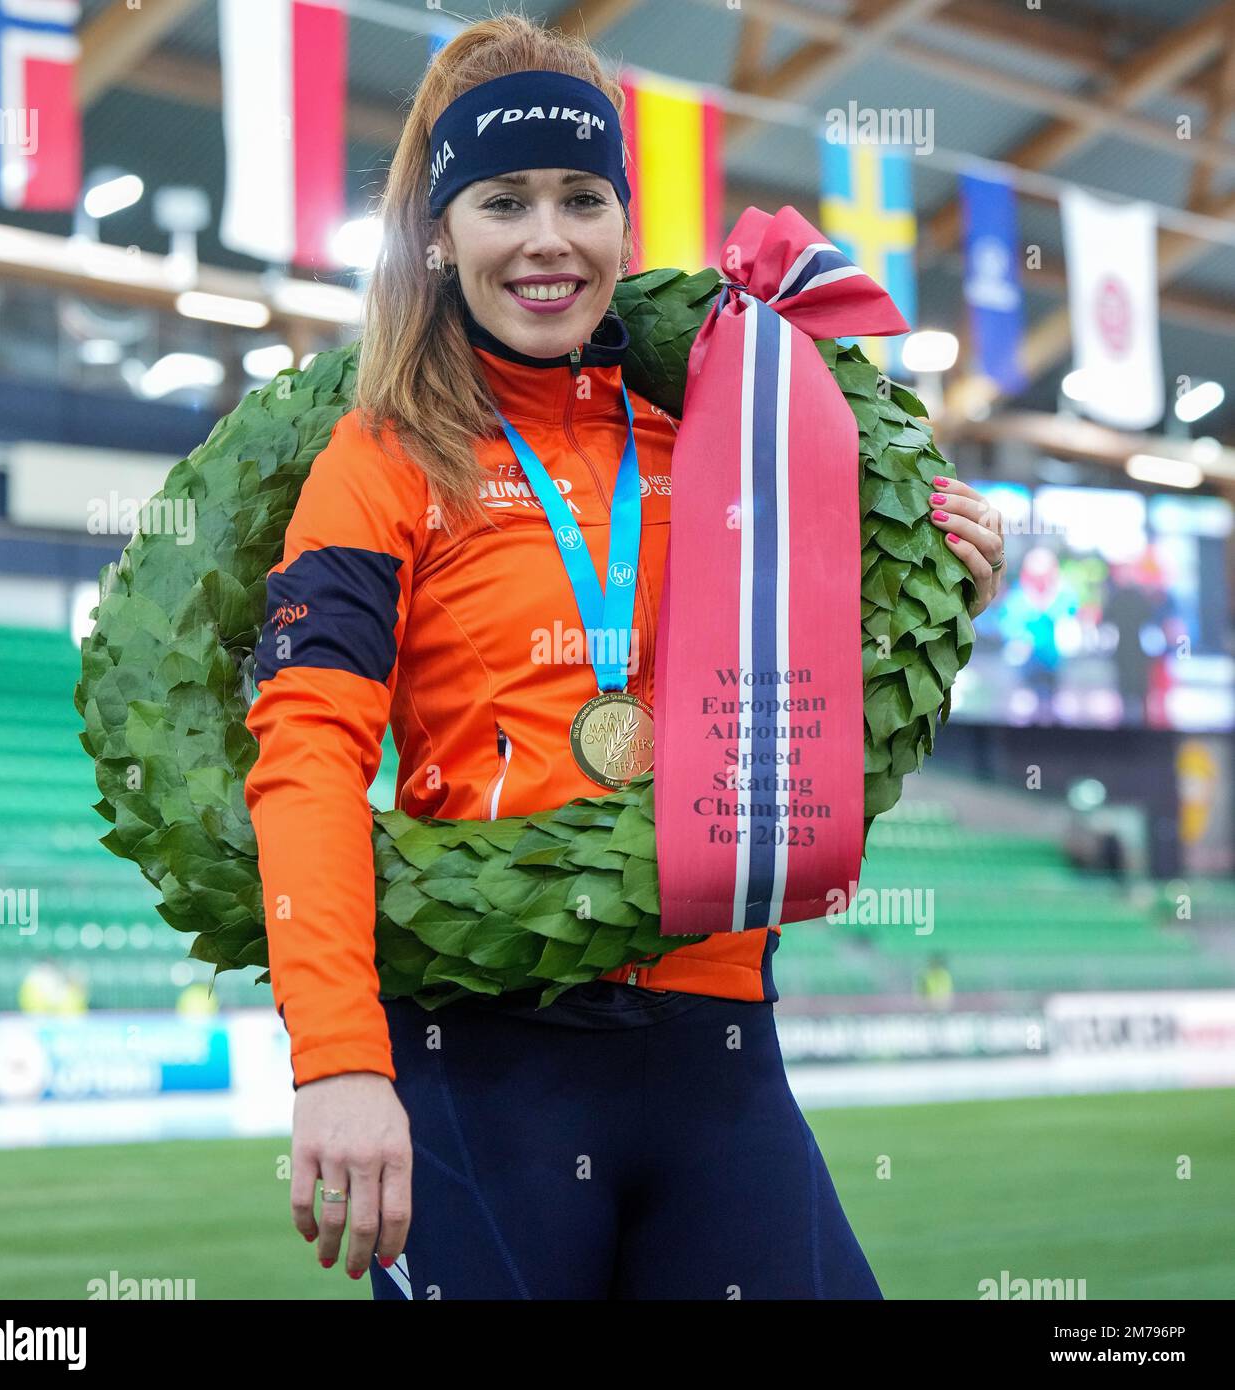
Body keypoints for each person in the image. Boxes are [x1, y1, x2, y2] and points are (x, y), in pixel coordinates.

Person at [243, 13, 1006, 1301]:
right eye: (504, 201)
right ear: (438, 234)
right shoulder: (377, 465)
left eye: (583, 198)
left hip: (719, 1048)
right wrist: (339, 1059)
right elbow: (307, 750)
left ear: (623, 219)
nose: (549, 238)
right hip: (482, 1060)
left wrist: (937, 592)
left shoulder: (720, 430)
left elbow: (800, 714)